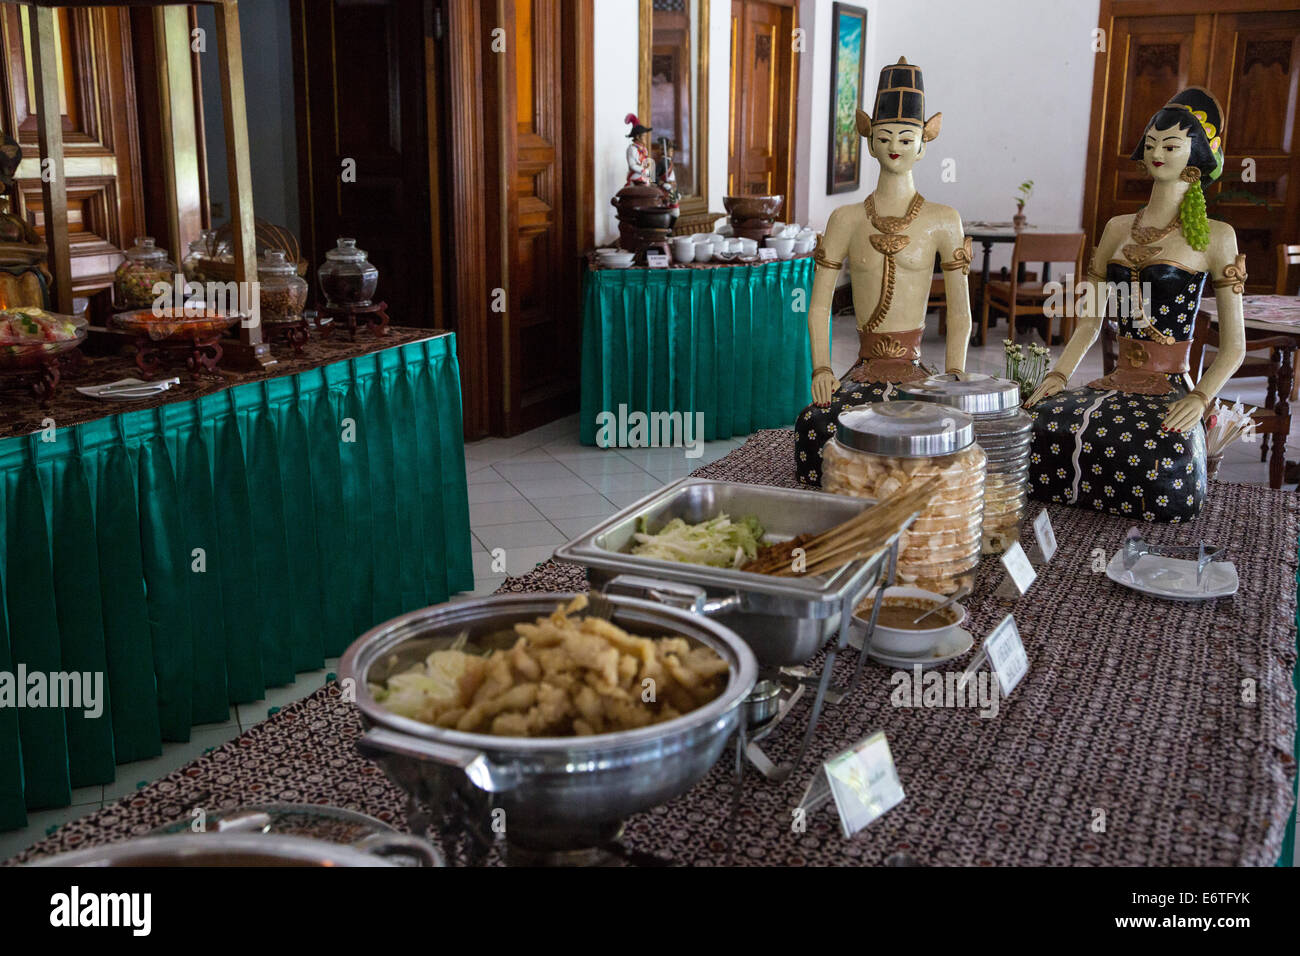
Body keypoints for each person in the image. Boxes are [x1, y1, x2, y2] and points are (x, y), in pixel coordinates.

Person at [1025, 87, 1246, 523]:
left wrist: (1201, 398)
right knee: (1043, 426)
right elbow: (1090, 323)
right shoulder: (1116, 228)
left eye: (1170, 145)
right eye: (1150, 145)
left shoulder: (1217, 237)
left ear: (1196, 156)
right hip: (1115, 380)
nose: (1157, 153)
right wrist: (1059, 374)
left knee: (1161, 454)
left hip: (1173, 387)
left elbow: (1234, 347)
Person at [795, 57, 973, 485]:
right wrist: (822, 369)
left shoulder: (943, 219)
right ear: (869, 142)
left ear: (923, 145)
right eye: (885, 137)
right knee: (816, 427)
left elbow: (960, 310)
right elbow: (818, 307)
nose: (895, 146)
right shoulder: (847, 219)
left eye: (907, 138)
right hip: (862, 368)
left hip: (917, 373)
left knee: (937, 434)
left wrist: (953, 376)